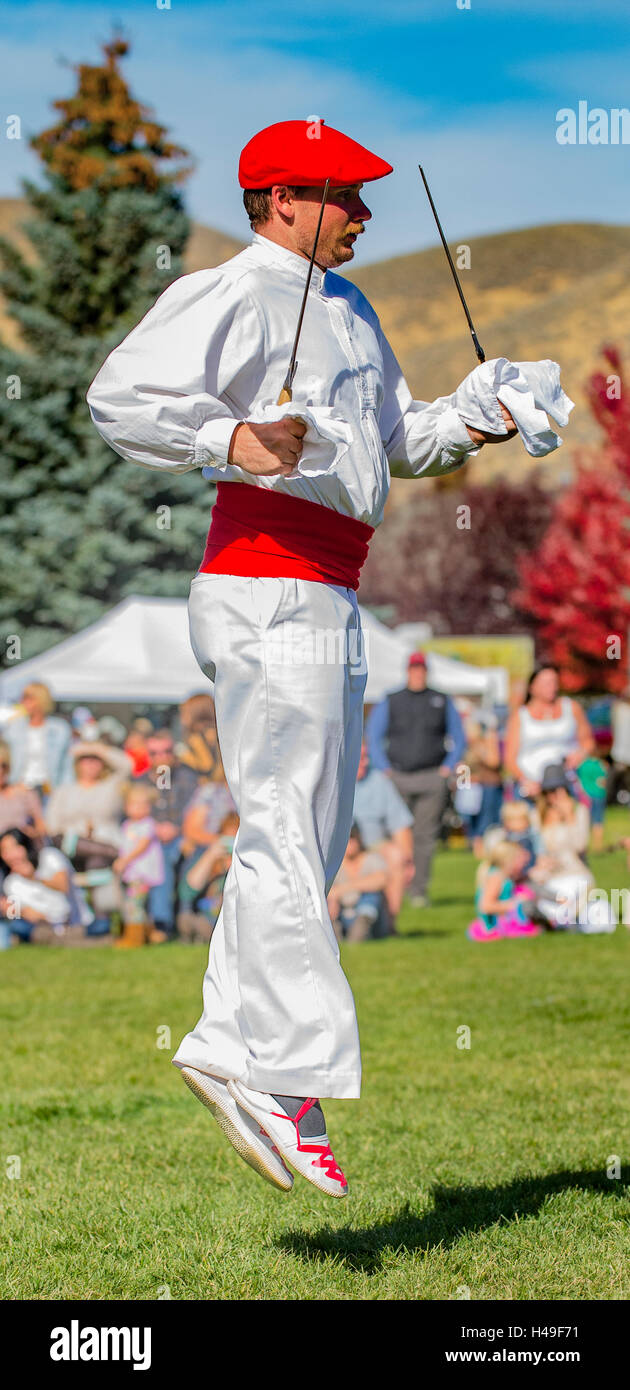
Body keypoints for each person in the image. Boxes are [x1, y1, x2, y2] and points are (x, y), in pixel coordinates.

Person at [86, 117, 522, 1197]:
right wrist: (233, 441)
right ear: (280, 199)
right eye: (345, 195)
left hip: (324, 586)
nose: (365, 212)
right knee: (289, 823)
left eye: (368, 194)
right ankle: (282, 1076)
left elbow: (393, 447)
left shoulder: (353, 307)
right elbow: (118, 395)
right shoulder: (238, 290)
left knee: (304, 830)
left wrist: (477, 417)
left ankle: (226, 1041)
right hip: (269, 580)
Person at [367, 652, 466, 908]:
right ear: (408, 671)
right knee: (396, 834)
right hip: (398, 776)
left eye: (421, 669)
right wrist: (384, 768)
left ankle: (419, 890)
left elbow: (459, 736)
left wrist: (447, 768)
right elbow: (373, 735)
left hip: (431, 776)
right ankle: (392, 884)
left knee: (425, 836)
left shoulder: (441, 700)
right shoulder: (392, 699)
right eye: (414, 669)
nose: (418, 673)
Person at [45, 739, 133, 933]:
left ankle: (100, 920)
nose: (91, 764)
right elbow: (52, 827)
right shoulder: (64, 791)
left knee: (97, 860)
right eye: (86, 760)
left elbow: (127, 765)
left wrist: (99, 749)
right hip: (70, 847)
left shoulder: (111, 787)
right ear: (78, 764)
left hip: (102, 842)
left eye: (96, 760)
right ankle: (113, 853)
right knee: (67, 841)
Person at [135, 729, 200, 937]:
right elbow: (131, 814)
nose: (161, 757)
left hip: (184, 837)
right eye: (155, 753)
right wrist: (154, 827)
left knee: (166, 854)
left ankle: (164, 922)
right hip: (148, 840)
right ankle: (163, 922)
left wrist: (177, 828)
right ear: (148, 755)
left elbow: (195, 811)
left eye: (166, 751)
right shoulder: (139, 782)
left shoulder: (188, 777)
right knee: (159, 854)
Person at [504, 665, 594, 801]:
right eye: (546, 683)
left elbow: (588, 741)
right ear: (532, 687)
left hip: (565, 779)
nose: (552, 687)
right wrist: (525, 781)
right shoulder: (520, 715)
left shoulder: (571, 707)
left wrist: (580, 754)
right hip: (531, 783)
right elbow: (510, 758)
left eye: (554, 682)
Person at [352, 740, 413, 927]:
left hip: (373, 847)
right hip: (343, 848)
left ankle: (390, 924)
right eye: (358, 758)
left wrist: (408, 861)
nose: (364, 762)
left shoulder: (379, 781)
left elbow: (400, 825)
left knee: (395, 855)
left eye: (366, 757)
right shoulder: (332, 780)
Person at [0, 826, 93, 946]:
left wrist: (34, 877)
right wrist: (13, 910)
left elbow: (63, 886)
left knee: (101, 927)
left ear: (25, 846)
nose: (10, 855)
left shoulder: (49, 856)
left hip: (77, 922)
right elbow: (22, 914)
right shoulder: (10, 883)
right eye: (4, 851)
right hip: (47, 927)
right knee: (18, 926)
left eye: (14, 848)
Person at [112, 784, 167, 947]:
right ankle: (150, 933)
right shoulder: (127, 825)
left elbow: (141, 846)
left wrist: (125, 860)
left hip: (141, 873)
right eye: (135, 804)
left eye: (144, 804)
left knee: (133, 905)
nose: (140, 808)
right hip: (132, 873)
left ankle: (134, 938)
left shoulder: (147, 825)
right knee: (137, 905)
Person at [178, 809, 239, 942]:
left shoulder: (246, 863)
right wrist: (211, 856)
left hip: (229, 921)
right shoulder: (209, 857)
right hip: (205, 914)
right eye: (226, 838)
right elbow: (186, 891)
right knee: (186, 919)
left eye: (234, 839)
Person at [4, 683, 73, 800]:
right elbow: (5, 759)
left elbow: (67, 764)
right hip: (19, 787)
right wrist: (8, 786)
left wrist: (64, 791)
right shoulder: (13, 728)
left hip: (49, 790)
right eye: (23, 698)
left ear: (41, 700)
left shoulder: (60, 729)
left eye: (28, 699)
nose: (23, 702)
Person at [467, 839, 540, 942]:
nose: (525, 861)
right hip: (494, 925)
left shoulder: (503, 875)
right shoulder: (496, 877)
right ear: (508, 860)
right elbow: (486, 906)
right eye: (519, 858)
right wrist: (515, 903)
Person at [327, 823, 388, 942]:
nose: (350, 844)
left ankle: (359, 933)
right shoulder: (334, 864)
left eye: (352, 839)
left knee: (371, 897)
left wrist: (340, 890)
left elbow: (381, 880)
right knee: (328, 900)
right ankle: (335, 934)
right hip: (341, 913)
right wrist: (332, 898)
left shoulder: (371, 859)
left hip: (370, 915)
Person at [456, 713, 503, 858]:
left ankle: (486, 847)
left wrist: (488, 743)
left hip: (490, 786)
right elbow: (461, 769)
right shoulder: (466, 747)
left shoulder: (486, 743)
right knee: (473, 819)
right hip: (472, 790)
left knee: (488, 820)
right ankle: (477, 846)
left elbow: (494, 761)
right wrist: (466, 778)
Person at [0, 739, 48, 842]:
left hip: (22, 844)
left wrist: (32, 833)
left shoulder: (25, 793)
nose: (0, 770)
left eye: (3, 765)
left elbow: (42, 827)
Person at [575, 752, 608, 851]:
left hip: (586, 796)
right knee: (598, 820)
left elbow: (577, 780)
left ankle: (584, 845)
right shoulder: (600, 764)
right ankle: (598, 846)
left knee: (585, 820)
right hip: (599, 794)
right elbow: (603, 781)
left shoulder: (582, 765)